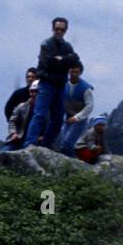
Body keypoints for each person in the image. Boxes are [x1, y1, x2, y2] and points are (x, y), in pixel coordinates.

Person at [24, 17, 79, 148]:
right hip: (46, 84)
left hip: (60, 86)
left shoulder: (67, 46)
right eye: (57, 29)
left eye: (62, 29)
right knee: (40, 114)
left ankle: (45, 144)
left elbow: (76, 61)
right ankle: (29, 144)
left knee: (58, 119)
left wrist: (61, 60)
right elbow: (48, 63)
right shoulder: (46, 44)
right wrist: (66, 60)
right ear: (52, 29)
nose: (59, 32)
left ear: (66, 30)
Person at [58, 63, 94, 156]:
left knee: (68, 143)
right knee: (63, 144)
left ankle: (74, 165)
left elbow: (89, 106)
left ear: (80, 73)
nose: (73, 74)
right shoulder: (64, 84)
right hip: (68, 118)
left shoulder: (85, 88)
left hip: (79, 120)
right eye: (72, 71)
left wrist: (77, 117)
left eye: (76, 72)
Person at [6, 82, 37, 150]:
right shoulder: (22, 106)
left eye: (36, 92)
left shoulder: (45, 110)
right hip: (19, 139)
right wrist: (13, 133)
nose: (33, 94)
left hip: (36, 142)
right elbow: (12, 121)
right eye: (31, 92)